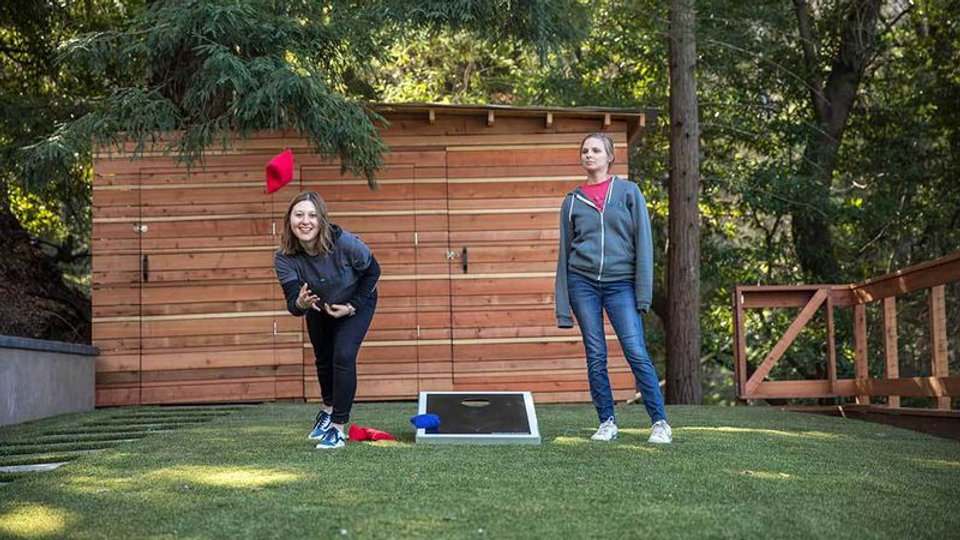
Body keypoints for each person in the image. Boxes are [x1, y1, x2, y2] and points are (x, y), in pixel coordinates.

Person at [554, 132, 673, 444]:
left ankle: (660, 422)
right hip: (582, 284)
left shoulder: (629, 192)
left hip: (621, 284)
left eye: (595, 150)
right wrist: (563, 307)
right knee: (596, 355)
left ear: (609, 156)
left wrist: (643, 294)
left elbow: (644, 245)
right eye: (585, 151)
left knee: (635, 351)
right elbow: (565, 253)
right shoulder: (572, 202)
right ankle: (607, 421)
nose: (589, 155)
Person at [274, 191, 380, 449]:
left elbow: (373, 271)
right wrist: (301, 303)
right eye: (299, 215)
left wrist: (352, 306)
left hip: (357, 301)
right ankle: (328, 411)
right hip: (319, 306)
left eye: (312, 215)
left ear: (321, 220)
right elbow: (293, 304)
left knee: (342, 355)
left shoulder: (344, 243)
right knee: (323, 359)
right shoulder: (284, 258)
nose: (305, 221)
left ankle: (337, 428)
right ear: (290, 220)